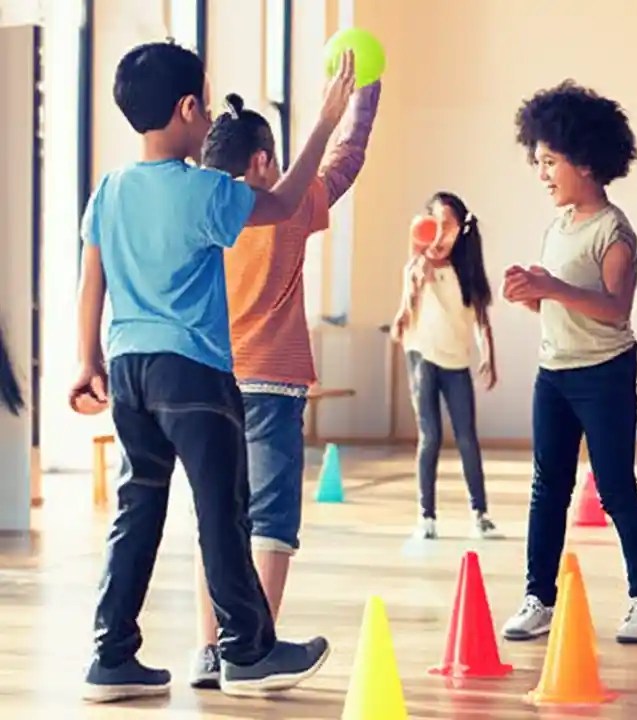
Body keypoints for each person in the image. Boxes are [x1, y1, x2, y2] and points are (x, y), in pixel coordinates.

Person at [70, 40, 353, 702]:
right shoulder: (204, 191)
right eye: (204, 106)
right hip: (193, 375)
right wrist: (324, 122)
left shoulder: (109, 190)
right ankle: (247, 650)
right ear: (189, 107)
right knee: (223, 511)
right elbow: (283, 204)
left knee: (137, 508)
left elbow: (92, 280)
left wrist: (87, 362)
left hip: (131, 372)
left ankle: (111, 657)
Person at [186, 78, 381, 688]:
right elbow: (344, 162)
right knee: (270, 519)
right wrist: (364, 97)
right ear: (264, 160)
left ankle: (209, 649)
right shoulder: (287, 206)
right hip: (273, 384)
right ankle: (257, 652)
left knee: (218, 516)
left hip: (213, 379)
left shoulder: (201, 213)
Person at [499, 80, 637, 643]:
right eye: (537, 161)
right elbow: (564, 305)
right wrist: (535, 295)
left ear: (587, 162)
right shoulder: (559, 225)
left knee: (617, 488)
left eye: (550, 161)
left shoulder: (613, 231)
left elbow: (615, 310)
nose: (542, 173)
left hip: (604, 375)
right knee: (548, 487)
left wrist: (554, 287)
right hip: (555, 373)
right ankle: (536, 597)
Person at [392, 191, 501, 541]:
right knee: (431, 436)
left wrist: (489, 355)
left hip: (456, 361)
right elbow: (403, 321)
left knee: (466, 435)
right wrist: (415, 285)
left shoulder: (466, 272)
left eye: (448, 226)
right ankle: (426, 515)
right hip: (422, 356)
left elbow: (482, 318)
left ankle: (480, 512)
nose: (440, 234)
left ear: (460, 231)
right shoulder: (416, 267)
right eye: (434, 224)